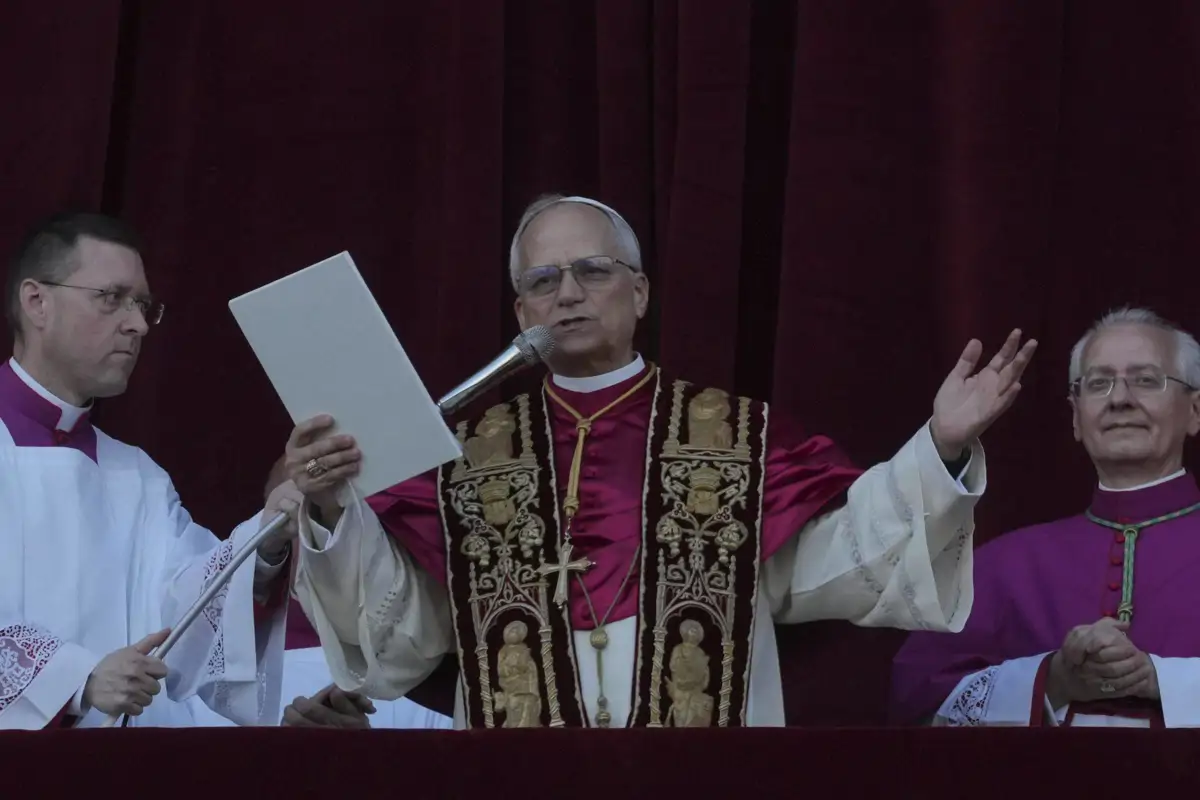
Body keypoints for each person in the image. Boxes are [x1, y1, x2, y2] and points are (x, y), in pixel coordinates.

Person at [286, 194, 1036, 729]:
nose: (568, 295)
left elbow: (847, 558)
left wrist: (939, 445)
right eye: (543, 282)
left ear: (640, 292)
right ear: (520, 312)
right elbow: (400, 633)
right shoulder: (465, 461)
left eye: (593, 271)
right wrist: (327, 509)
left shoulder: (734, 439)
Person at [0, 212, 296, 729]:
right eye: (111, 298)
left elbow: (185, 608)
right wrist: (74, 679)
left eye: (142, 305)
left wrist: (268, 533)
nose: (136, 323)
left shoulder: (137, 476)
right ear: (36, 301)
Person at [890, 307, 1200, 728]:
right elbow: (916, 700)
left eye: (1146, 380)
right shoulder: (1002, 564)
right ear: (1076, 417)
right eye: (1098, 383)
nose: (1120, 399)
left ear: (1195, 411)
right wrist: (1052, 679)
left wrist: (1161, 679)